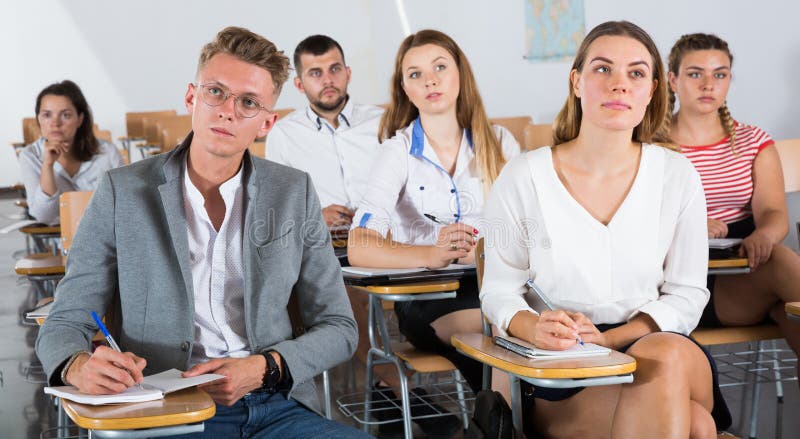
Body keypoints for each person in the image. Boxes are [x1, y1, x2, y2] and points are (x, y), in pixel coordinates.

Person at [35, 27, 369, 438]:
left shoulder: (293, 191)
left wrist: (267, 368)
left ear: (266, 123)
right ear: (192, 98)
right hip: (168, 408)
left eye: (248, 102)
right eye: (216, 92)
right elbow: (66, 317)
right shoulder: (123, 191)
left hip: (277, 405)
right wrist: (77, 364)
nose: (228, 111)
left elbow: (339, 327)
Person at [481, 21, 730, 438]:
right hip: (564, 365)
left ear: (652, 90)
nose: (619, 85)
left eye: (635, 73)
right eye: (602, 69)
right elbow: (498, 290)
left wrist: (614, 339)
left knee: (665, 353)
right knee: (697, 426)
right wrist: (533, 326)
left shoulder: (677, 174)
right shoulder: (523, 175)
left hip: (655, 339)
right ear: (576, 81)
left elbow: (688, 293)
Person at [348, 28, 520, 437]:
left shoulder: (500, 143)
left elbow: (534, 229)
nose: (430, 80)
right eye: (415, 74)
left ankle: (494, 426)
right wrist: (432, 254)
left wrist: (482, 250)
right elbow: (359, 246)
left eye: (440, 67)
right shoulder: (397, 152)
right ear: (405, 89)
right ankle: (504, 426)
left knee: (516, 329)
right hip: (432, 297)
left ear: (461, 74)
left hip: (500, 285)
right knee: (495, 337)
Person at [663, 32, 800, 378]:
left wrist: (766, 236)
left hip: (746, 272)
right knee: (784, 270)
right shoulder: (650, 146)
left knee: (792, 315)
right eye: (696, 74)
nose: (709, 84)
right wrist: (688, 224)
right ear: (673, 80)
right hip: (686, 287)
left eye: (720, 74)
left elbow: (772, 214)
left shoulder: (754, 141)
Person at [266, 34, 383, 228]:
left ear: (348, 74)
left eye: (335, 69)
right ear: (299, 84)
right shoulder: (284, 134)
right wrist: (315, 218)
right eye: (315, 73)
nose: (328, 80)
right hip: (323, 247)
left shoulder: (383, 122)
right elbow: (276, 206)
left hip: (384, 240)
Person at [19, 80, 124, 225]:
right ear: (38, 119)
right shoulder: (30, 155)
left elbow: (124, 203)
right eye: (47, 115)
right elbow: (43, 216)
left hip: (107, 236)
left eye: (66, 115)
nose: (55, 123)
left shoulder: (107, 152)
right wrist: (48, 165)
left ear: (80, 119)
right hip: (61, 242)